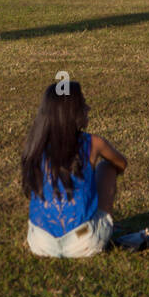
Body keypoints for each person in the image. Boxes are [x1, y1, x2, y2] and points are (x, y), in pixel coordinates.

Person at [21, 80, 126, 259]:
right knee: (107, 167)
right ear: (72, 113)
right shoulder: (93, 143)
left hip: (40, 242)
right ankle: (99, 222)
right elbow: (121, 163)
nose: (88, 108)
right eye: (83, 104)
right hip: (83, 242)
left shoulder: (34, 145)